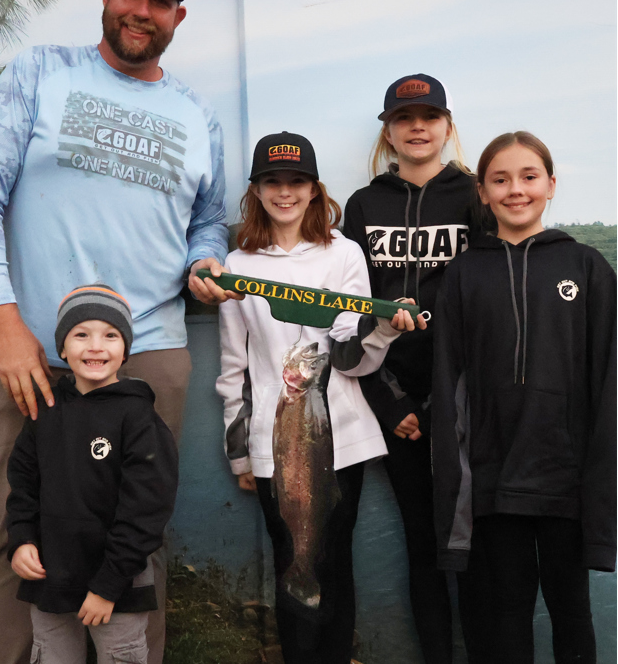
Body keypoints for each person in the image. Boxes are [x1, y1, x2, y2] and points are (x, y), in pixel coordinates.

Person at [0, 0, 234, 660]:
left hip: (149, 350)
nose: (140, 11)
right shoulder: (39, 72)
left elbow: (209, 218)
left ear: (177, 15)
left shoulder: (195, 114)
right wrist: (2, 318)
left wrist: (202, 259)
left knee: (138, 536)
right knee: (17, 533)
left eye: (158, 1)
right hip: (32, 349)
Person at [216, 132, 416, 663]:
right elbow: (233, 367)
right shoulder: (237, 265)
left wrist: (384, 330)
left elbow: (353, 359)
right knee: (290, 558)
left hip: (339, 440)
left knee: (333, 560)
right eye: (273, 182)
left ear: (314, 189)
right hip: (270, 443)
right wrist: (240, 450)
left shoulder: (344, 253)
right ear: (256, 191)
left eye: (297, 181)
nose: (285, 192)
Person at [431, 131, 615, 664]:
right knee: (506, 615)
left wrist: (600, 485)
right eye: (501, 179)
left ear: (551, 185)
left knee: (572, 615)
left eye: (529, 177)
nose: (517, 190)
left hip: (567, 480)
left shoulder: (587, 269)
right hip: (495, 481)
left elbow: (608, 385)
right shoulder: (463, 275)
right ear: (483, 194)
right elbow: (449, 382)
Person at [340, 74, 481, 664]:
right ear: (388, 132)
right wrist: (388, 403)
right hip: (394, 401)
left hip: (466, 401)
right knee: (422, 544)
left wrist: (461, 400)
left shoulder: (475, 198)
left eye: (429, 116)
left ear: (448, 126)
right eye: (403, 118)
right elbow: (348, 316)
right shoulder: (365, 205)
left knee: (476, 544)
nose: (417, 127)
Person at [6, 284, 178, 664]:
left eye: (110, 335)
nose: (96, 346)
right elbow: (22, 485)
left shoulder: (138, 418)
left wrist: (109, 585)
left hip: (118, 584)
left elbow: (147, 508)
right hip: (50, 577)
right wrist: (21, 540)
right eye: (81, 334)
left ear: (125, 349)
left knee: (120, 655)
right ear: (62, 348)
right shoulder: (45, 411)